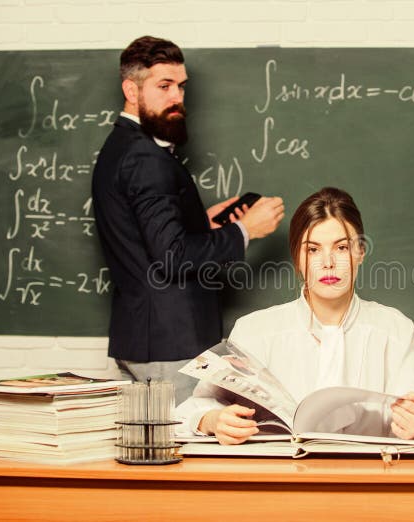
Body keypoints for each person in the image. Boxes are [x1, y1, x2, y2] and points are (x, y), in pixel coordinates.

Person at [176, 187, 414, 444]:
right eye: (313, 250)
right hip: (279, 480)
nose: (328, 263)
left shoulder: (394, 329)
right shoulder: (254, 330)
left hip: (369, 483)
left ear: (360, 252)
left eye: (341, 247)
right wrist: (212, 420)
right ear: (298, 257)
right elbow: (193, 409)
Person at [92, 36, 284, 403]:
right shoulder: (146, 158)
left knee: (152, 448)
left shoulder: (121, 148)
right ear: (131, 89)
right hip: (171, 342)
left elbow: (149, 238)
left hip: (143, 337)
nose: (176, 97)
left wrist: (202, 222)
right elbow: (172, 257)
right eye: (163, 86)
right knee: (183, 448)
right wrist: (245, 229)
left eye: (180, 86)